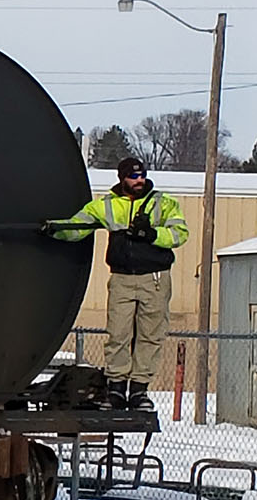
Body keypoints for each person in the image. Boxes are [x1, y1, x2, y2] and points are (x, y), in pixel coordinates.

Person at [47, 156, 188, 409]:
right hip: (122, 278)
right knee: (118, 334)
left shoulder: (163, 203)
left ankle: (139, 391)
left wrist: (151, 234)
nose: (139, 180)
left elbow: (180, 234)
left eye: (142, 175)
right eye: (133, 176)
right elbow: (78, 226)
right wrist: (54, 229)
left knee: (150, 335)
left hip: (154, 278)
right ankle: (116, 389)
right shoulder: (107, 205)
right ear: (122, 178)